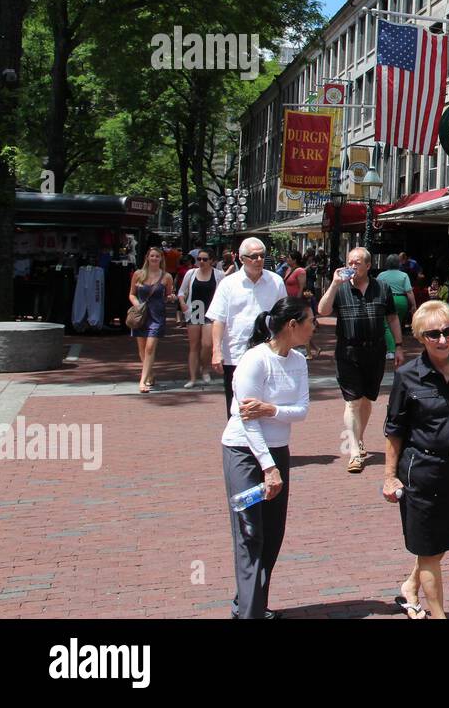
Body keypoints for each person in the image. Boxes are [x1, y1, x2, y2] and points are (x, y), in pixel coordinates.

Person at [383, 300, 449, 619]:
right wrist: (389, 476)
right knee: (429, 550)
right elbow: (394, 431)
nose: (443, 340)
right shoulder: (407, 377)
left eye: (448, 332)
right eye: (433, 334)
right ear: (420, 337)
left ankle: (409, 586)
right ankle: (438, 614)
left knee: (441, 542)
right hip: (422, 472)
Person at [221, 297, 316, 619]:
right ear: (292, 325)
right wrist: (268, 467)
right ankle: (250, 613)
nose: (314, 326)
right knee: (250, 533)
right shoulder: (254, 360)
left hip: (277, 451)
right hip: (244, 454)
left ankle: (248, 604)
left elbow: (301, 411)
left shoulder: (299, 361)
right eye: (310, 321)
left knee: (272, 534)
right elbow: (248, 420)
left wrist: (272, 409)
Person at [319, 247, 403, 473]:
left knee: (367, 399)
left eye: (357, 263)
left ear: (368, 265)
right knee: (352, 401)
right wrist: (334, 284)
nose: (353, 266)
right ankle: (354, 451)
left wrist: (399, 346)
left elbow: (393, 317)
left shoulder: (382, 288)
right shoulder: (341, 288)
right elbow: (323, 310)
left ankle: (359, 437)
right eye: (350, 262)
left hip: (375, 350)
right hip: (347, 350)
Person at [208, 237, 287, 416]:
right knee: (237, 403)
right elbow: (218, 319)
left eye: (262, 256)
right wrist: (216, 350)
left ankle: (263, 441)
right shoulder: (228, 284)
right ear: (242, 259)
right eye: (253, 256)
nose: (259, 260)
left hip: (268, 352)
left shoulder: (276, 281)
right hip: (236, 353)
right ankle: (237, 442)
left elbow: (282, 316)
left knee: (267, 399)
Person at [129, 246, 174, 393]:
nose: (154, 258)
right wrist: (137, 305)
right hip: (141, 316)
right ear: (147, 258)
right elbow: (132, 294)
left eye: (157, 256)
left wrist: (171, 297)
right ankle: (150, 374)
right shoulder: (138, 274)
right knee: (142, 349)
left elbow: (168, 296)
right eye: (152, 256)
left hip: (157, 315)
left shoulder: (166, 277)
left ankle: (142, 381)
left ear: (161, 259)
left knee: (149, 348)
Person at [178, 248, 224, 388]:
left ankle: (205, 368)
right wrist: (183, 304)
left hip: (211, 311)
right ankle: (192, 378)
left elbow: (224, 294)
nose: (201, 262)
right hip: (195, 309)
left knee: (207, 344)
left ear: (211, 261)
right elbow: (181, 291)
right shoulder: (191, 273)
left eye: (205, 259)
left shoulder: (219, 275)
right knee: (194, 346)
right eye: (199, 259)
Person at [377, 254, 416, 358]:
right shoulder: (404, 275)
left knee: (386, 325)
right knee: (397, 324)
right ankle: (395, 347)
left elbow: (377, 290)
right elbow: (409, 292)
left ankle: (391, 350)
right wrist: (413, 305)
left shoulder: (381, 275)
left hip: (386, 300)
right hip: (401, 300)